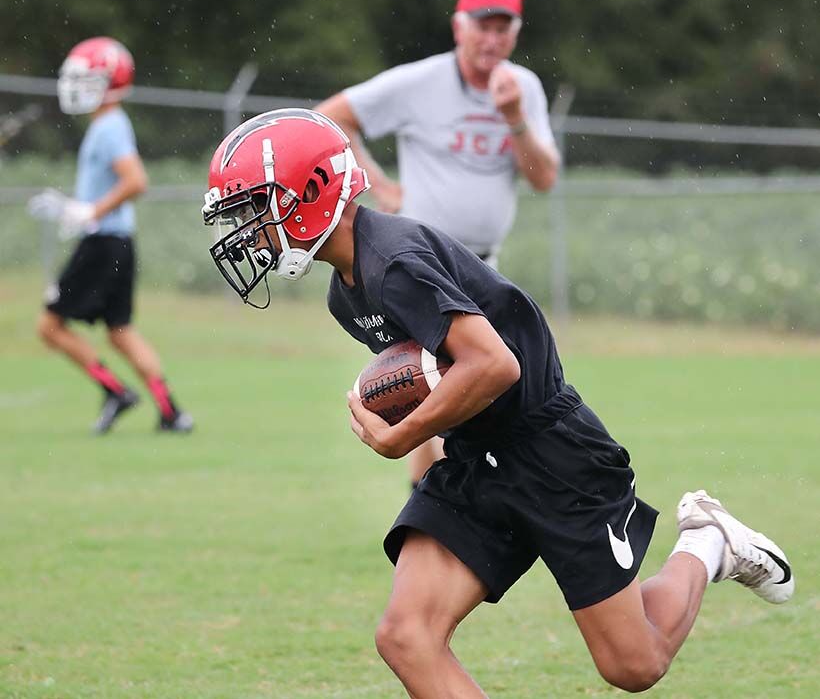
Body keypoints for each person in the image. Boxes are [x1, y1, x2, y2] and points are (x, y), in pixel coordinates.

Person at [200, 108, 794, 695]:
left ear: (311, 192)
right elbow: (445, 374)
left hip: (551, 453)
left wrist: (400, 437)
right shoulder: (345, 293)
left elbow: (494, 364)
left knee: (633, 666)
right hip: (476, 459)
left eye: (255, 208)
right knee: (407, 636)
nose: (248, 230)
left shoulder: (394, 264)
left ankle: (707, 542)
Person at [315, 0, 562, 488]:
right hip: (419, 267)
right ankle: (438, 506)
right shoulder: (420, 82)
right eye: (482, 26)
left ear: (515, 33)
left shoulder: (524, 89)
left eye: (503, 28)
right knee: (436, 384)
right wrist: (378, 183)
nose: (492, 40)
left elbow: (544, 179)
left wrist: (514, 118)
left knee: (460, 386)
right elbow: (329, 118)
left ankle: (437, 505)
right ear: (458, 27)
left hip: (482, 267)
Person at [33, 37, 193, 434]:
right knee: (120, 331)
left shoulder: (108, 127)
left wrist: (90, 212)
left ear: (109, 82)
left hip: (103, 242)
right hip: (118, 242)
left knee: (49, 326)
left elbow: (136, 180)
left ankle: (115, 391)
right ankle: (171, 412)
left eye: (86, 79)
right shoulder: (109, 125)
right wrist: (73, 206)